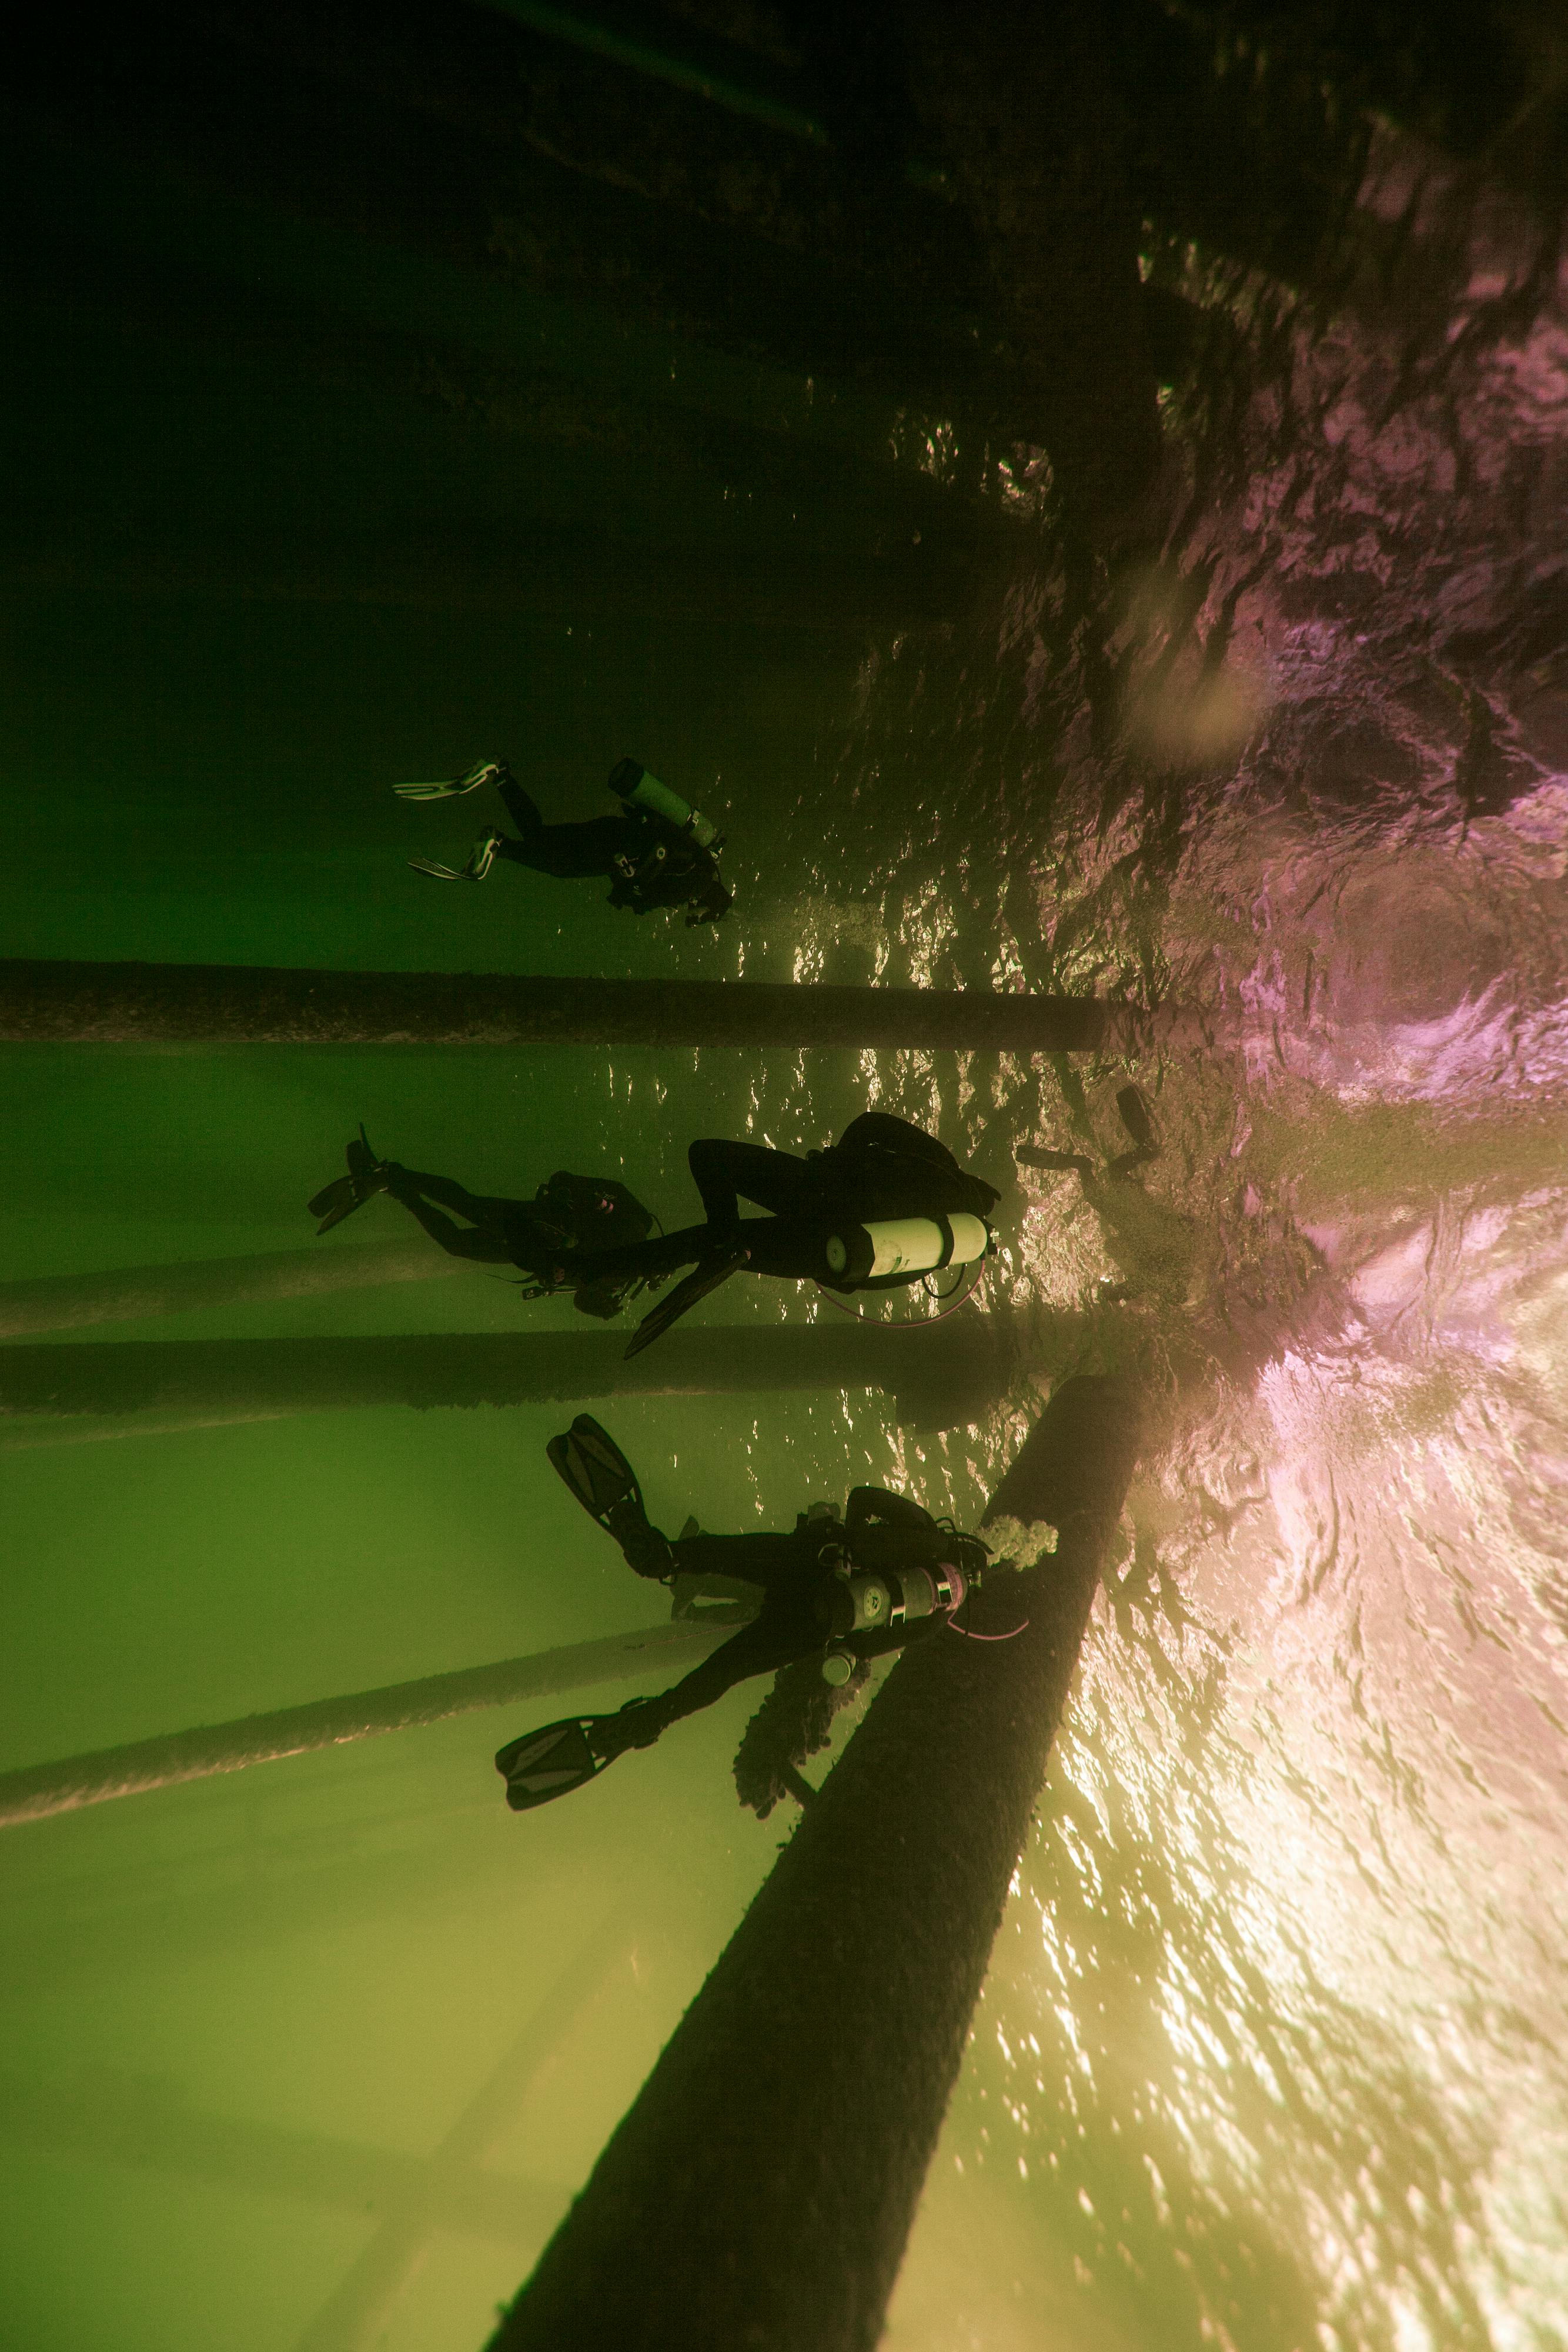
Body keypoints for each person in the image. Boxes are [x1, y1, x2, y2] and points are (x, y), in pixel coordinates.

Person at [495, 1416, 994, 1810]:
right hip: (816, 1622)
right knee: (724, 1672)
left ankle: (652, 1548)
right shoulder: (936, 1616)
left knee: (700, 1556)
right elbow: (862, 1647)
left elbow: (863, 1497)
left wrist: (847, 1539)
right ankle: (649, 1718)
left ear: (960, 1541)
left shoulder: (928, 1531)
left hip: (807, 1560)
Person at [566, 1108, 1005, 1355]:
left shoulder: (944, 1166)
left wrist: (836, 1160)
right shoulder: (940, 1248)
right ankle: (716, 1248)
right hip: (830, 1253)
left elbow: (871, 1124)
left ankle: (589, 1268)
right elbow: (868, 1275)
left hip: (823, 1194)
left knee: (708, 1157)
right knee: (707, 1244)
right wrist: (827, 1264)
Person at [307, 1128, 657, 1318]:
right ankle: (392, 1175)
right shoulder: (634, 1226)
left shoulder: (614, 1278)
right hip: (536, 1224)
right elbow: (575, 1184)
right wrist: (576, 1196)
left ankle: (394, 1186)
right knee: (468, 1205)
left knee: (456, 1243)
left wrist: (564, 1282)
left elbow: (576, 1289)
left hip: (528, 1250)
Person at [393, 756, 733, 927]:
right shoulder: (695, 884)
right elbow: (652, 871)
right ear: (709, 905)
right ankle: (499, 844)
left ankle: (499, 775)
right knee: (560, 865)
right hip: (618, 850)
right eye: (704, 916)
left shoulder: (698, 866)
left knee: (541, 837)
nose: (696, 918)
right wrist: (634, 881)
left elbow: (659, 855)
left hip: (619, 833)